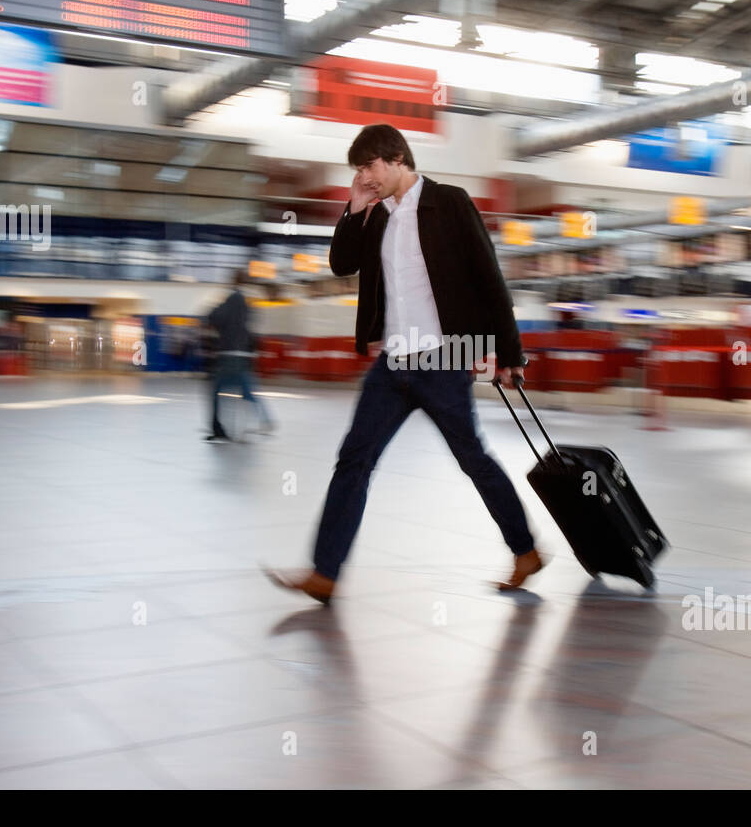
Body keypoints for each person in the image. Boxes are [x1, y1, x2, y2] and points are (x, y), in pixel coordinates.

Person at [266, 123, 545, 604]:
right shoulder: (374, 216)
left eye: (369, 167)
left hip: (446, 355)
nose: (365, 177)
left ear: (397, 159)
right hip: (393, 361)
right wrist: (354, 206)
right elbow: (341, 264)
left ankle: (525, 550)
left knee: (472, 457)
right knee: (354, 459)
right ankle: (324, 573)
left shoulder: (450, 201)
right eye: (357, 170)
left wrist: (510, 353)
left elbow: (489, 277)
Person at [204, 269, 275, 441]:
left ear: (233, 281)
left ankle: (218, 429)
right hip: (244, 354)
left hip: (229, 354)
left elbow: (214, 317)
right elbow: (252, 330)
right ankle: (265, 420)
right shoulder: (250, 302)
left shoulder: (232, 298)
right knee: (247, 390)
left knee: (215, 391)